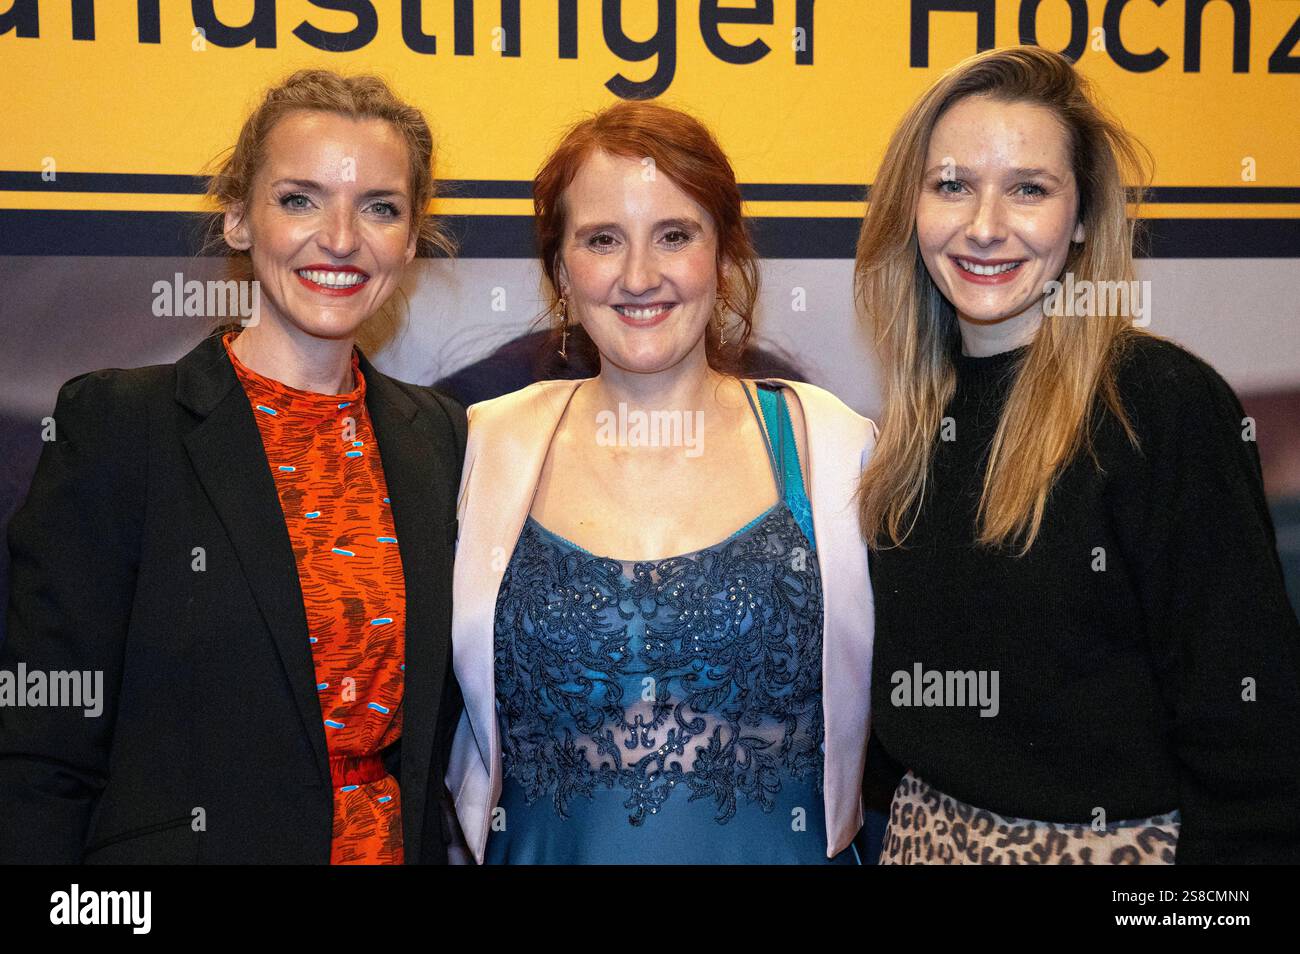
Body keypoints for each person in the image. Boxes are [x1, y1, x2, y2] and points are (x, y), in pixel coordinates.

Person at [0, 69, 466, 864]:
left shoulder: (443, 440)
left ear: (411, 237)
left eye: (379, 207)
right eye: (300, 198)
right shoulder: (120, 426)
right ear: (239, 217)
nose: (342, 237)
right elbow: (45, 747)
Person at [857, 46, 1300, 864]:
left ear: (1084, 218)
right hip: (922, 842)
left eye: (1029, 188)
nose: (985, 224)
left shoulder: (1159, 404)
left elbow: (1251, 730)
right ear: (909, 209)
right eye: (952, 184)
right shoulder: (915, 421)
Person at [445, 101, 876, 864]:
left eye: (674, 236)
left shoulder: (832, 448)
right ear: (560, 272)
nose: (639, 276)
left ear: (723, 253)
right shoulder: (480, 446)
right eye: (602, 240)